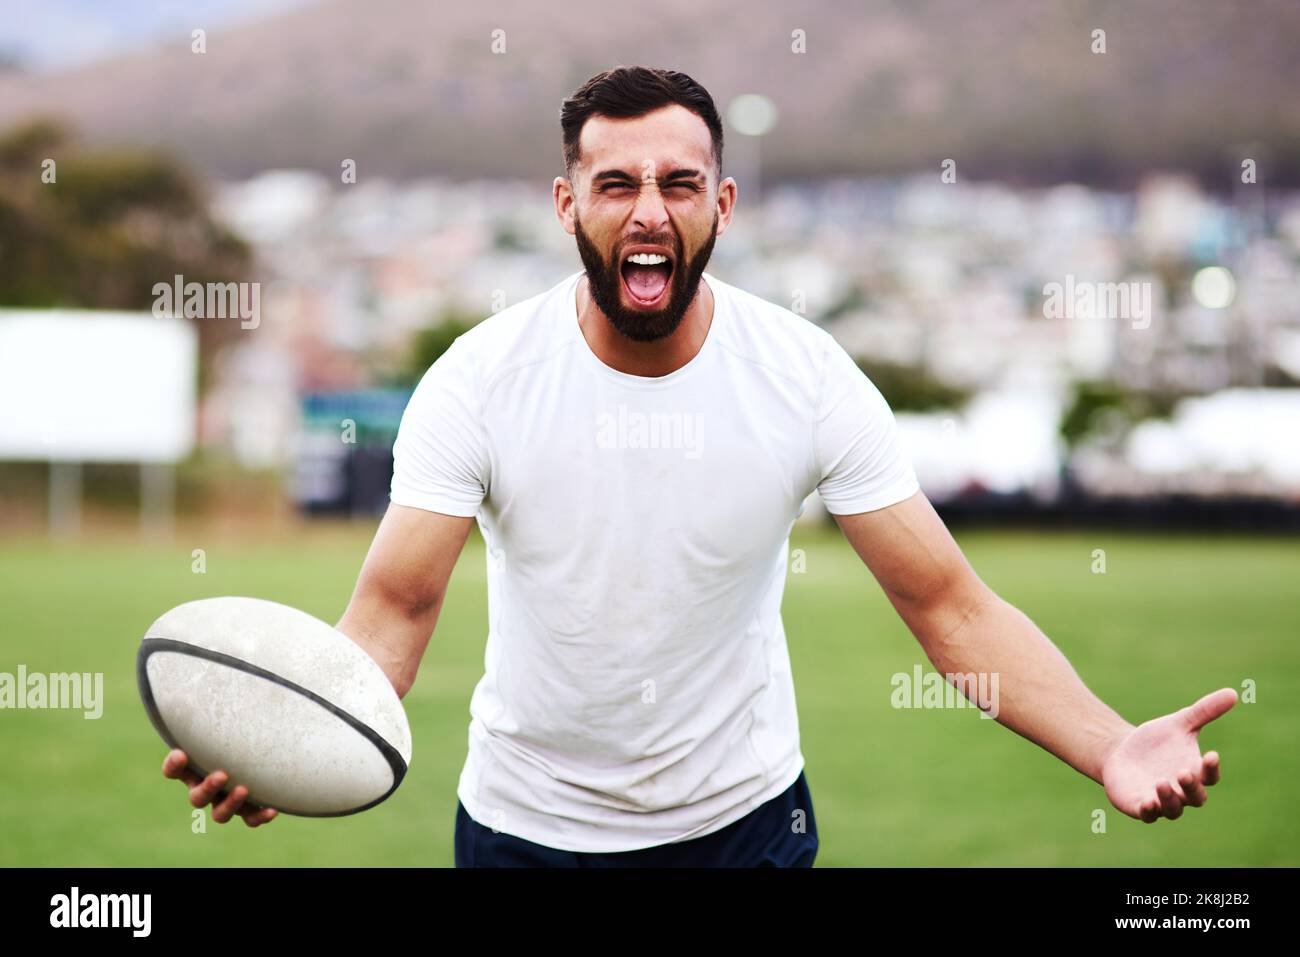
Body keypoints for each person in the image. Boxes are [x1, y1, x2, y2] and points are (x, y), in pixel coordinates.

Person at [164, 65, 1235, 866]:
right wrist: (296, 737)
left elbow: (950, 608)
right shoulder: (478, 379)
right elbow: (395, 608)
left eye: (679, 185)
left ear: (721, 206)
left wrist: (1108, 747)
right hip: (523, 831)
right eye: (615, 183)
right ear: (565, 204)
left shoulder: (806, 377)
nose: (647, 212)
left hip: (747, 826)